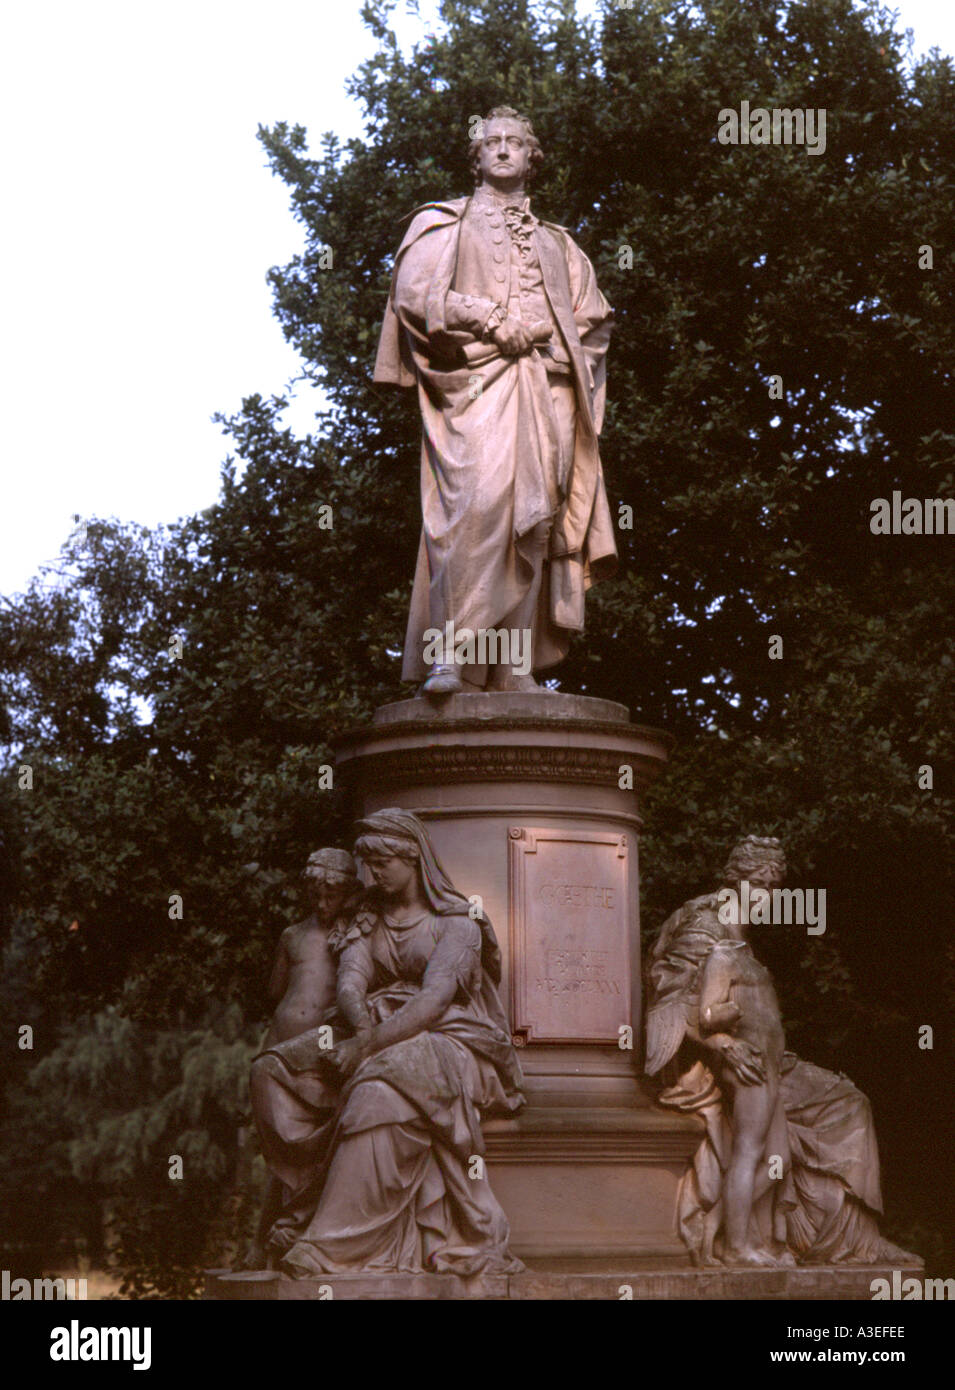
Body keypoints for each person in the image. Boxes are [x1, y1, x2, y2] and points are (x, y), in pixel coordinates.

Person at [374, 106, 617, 695]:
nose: (503, 149)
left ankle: (513, 668)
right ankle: (450, 659)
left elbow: (595, 323)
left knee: (535, 522)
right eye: (492, 142)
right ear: (476, 157)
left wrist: (558, 353)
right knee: (475, 510)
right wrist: (491, 320)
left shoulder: (560, 246)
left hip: (548, 392)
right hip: (476, 388)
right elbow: (415, 295)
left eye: (515, 142)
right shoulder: (442, 224)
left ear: (531, 158)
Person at [261, 809, 525, 1277]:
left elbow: (434, 999)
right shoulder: (368, 918)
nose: (372, 874)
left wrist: (366, 1048)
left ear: (414, 858)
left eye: (382, 862)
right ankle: (301, 1199)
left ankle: (332, 1245)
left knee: (377, 1089)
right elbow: (351, 981)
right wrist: (361, 1028)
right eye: (368, 863)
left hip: (453, 1039)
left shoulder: (459, 924)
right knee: (271, 1070)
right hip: (373, 1027)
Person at [646, 835, 917, 1266]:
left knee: (847, 1103)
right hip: (724, 1061)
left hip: (766, 1060)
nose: (768, 896)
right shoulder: (707, 931)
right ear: (734, 880)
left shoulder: (737, 938)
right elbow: (673, 1008)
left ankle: (854, 1239)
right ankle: (743, 1238)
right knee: (768, 1149)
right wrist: (723, 1045)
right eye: (759, 884)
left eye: (774, 888)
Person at [244, 848, 359, 1268]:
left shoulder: (353, 935)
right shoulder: (292, 935)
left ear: (348, 892)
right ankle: (263, 1242)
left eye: (332, 892)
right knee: (277, 1155)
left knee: (311, 1145)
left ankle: (298, 1232)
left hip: (322, 1050)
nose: (323, 900)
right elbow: (276, 991)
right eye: (316, 892)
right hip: (280, 1043)